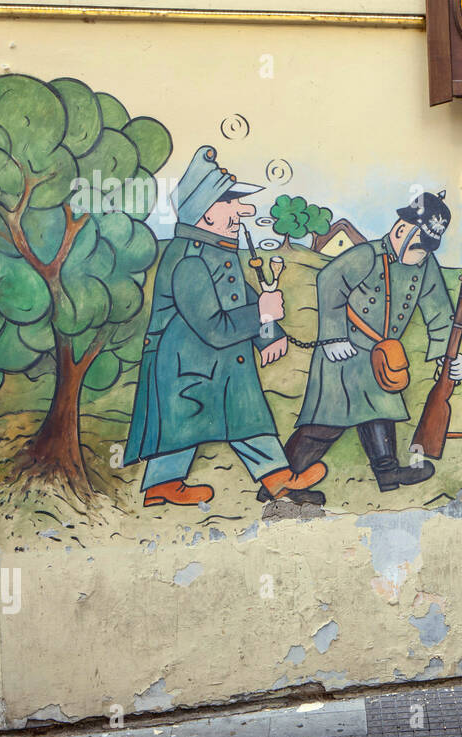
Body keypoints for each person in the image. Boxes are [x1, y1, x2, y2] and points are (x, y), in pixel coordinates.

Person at [125, 145, 326, 507]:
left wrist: (270, 335)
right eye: (230, 202)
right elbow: (215, 326)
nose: (241, 211)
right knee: (182, 422)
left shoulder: (218, 250)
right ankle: (162, 486)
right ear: (205, 212)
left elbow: (245, 299)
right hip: (187, 364)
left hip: (219, 362)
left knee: (246, 413)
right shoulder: (189, 259)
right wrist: (263, 314)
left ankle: (279, 479)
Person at [284, 190, 462, 496]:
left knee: (381, 409)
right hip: (344, 352)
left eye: (427, 248)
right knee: (325, 424)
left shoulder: (424, 265)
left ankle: (387, 473)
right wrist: (333, 335)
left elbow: (439, 311)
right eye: (420, 246)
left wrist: (447, 358)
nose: (422, 254)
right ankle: (283, 480)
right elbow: (329, 280)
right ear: (401, 229)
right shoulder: (367, 255)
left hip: (380, 356)